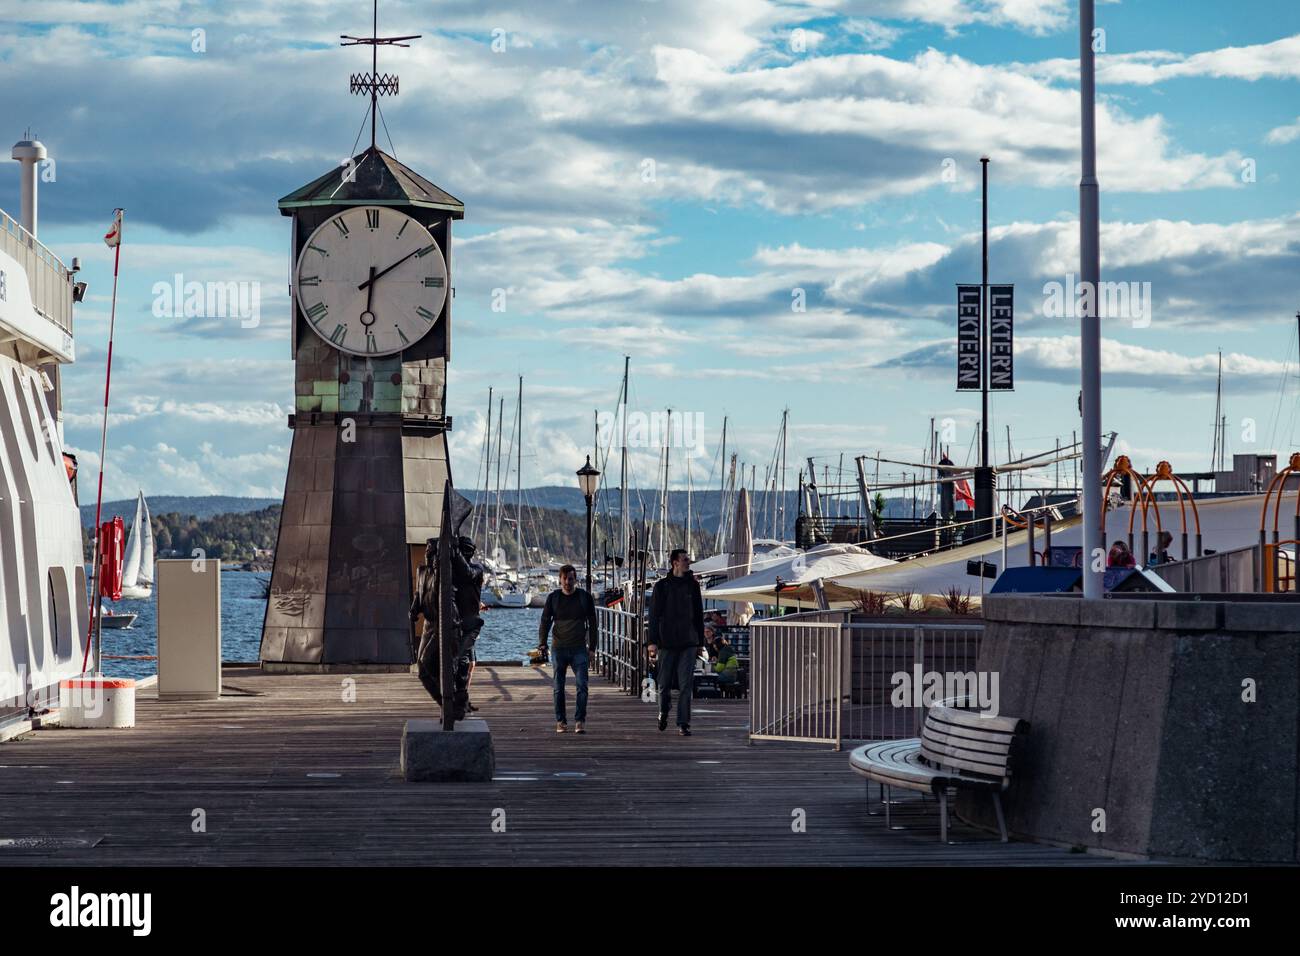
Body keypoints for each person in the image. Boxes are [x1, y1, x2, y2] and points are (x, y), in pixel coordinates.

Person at [648, 548, 705, 736]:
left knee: (686, 684)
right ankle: (663, 711)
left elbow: (698, 615)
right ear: (675, 563)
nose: (688, 562)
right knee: (663, 685)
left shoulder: (693, 586)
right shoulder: (661, 586)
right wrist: (652, 642)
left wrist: (700, 642)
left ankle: (683, 723)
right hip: (667, 641)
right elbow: (654, 615)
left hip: (688, 640)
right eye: (685, 559)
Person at [537, 564, 598, 735]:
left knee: (582, 686)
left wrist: (592, 648)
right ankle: (561, 721)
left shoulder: (584, 598)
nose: (567, 582)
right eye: (564, 579)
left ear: (575, 579)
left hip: (579, 649)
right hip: (559, 648)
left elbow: (593, 624)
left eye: (570, 579)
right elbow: (545, 621)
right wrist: (542, 642)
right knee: (558, 687)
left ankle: (579, 721)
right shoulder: (553, 598)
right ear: (560, 580)